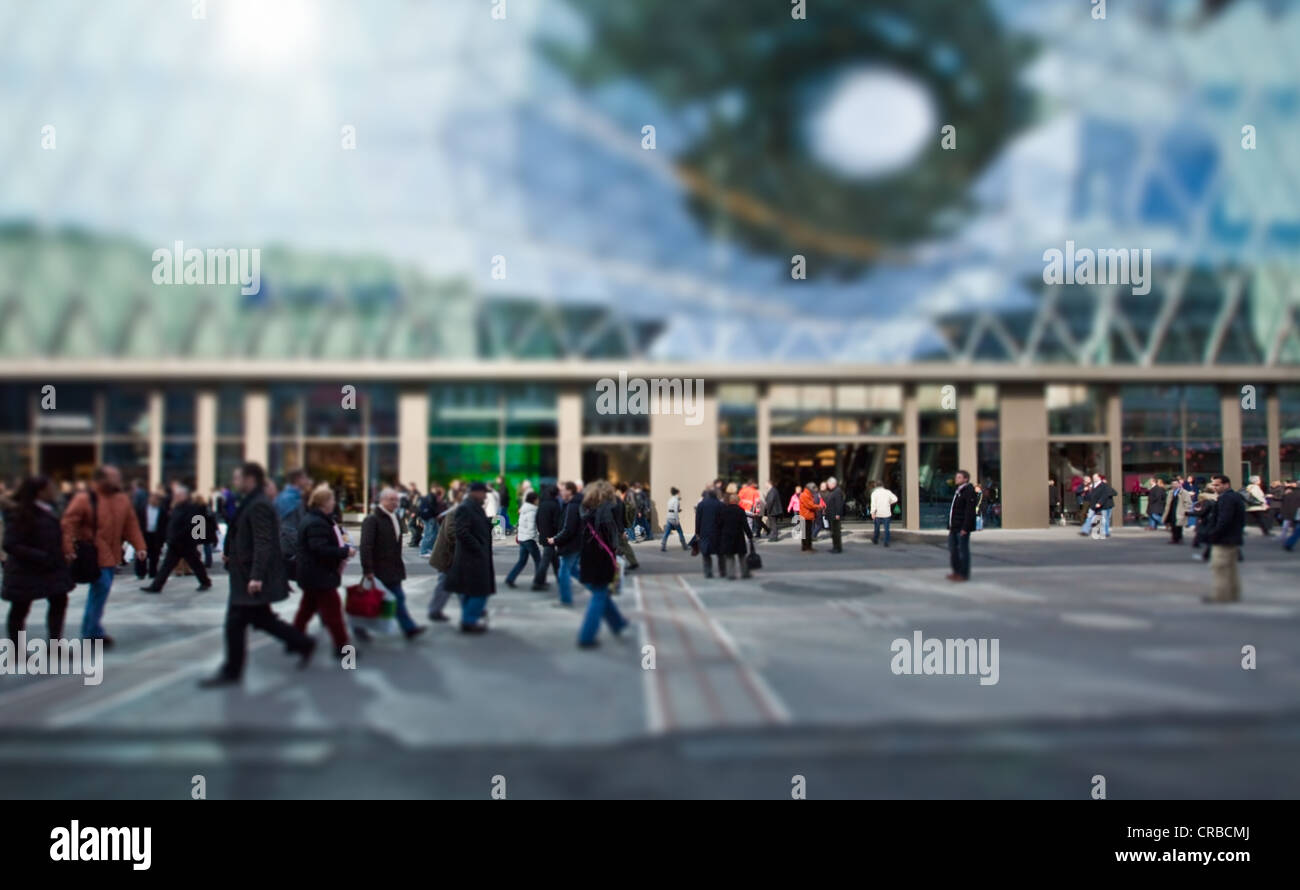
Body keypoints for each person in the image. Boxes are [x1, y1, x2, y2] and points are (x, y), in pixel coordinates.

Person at [200, 463, 315, 687]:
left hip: (249, 576)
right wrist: (231, 554)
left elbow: (264, 543)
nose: (234, 482)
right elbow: (245, 536)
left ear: (250, 478)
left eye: (237, 477)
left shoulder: (259, 504)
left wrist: (257, 576)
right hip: (244, 572)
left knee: (236, 623)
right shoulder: (253, 501)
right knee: (262, 619)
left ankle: (232, 671)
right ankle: (302, 643)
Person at [61, 465, 147, 648]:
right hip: (94, 552)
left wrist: (139, 545)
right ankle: (92, 632)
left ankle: (92, 630)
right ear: (101, 479)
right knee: (101, 589)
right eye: (114, 477)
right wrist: (68, 548)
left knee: (100, 592)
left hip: (111, 552)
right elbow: (68, 525)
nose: (118, 480)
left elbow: (130, 524)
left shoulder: (122, 499)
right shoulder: (84, 499)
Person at [2, 476, 74, 643]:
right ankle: (16, 649)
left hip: (51, 568)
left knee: (59, 601)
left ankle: (55, 645)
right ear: (40, 492)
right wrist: (40, 556)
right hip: (25, 570)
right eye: (51, 488)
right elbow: (10, 544)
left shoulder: (50, 509)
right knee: (20, 608)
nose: (54, 491)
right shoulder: (20, 513)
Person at [294, 484, 356, 657]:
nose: (334, 502)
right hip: (319, 575)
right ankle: (344, 651)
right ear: (325, 502)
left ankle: (293, 639)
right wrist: (345, 551)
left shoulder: (317, 519)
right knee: (334, 614)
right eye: (332, 499)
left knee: (306, 609)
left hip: (313, 575)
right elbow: (320, 549)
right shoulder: (316, 522)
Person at [361, 487, 426, 640]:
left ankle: (408, 628)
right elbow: (366, 546)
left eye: (396, 500)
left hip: (392, 567)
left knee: (388, 599)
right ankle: (408, 628)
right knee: (385, 598)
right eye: (391, 500)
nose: (395, 503)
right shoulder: (372, 520)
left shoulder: (395, 517)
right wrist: (368, 569)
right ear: (382, 500)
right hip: (379, 568)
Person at [574, 480, 630, 648]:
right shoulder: (608, 509)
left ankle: (617, 622)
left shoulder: (584, 509)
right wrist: (618, 550)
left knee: (601, 592)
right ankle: (586, 636)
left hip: (587, 554)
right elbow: (613, 535)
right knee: (599, 594)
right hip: (603, 555)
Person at [141, 485, 213, 593]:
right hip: (175, 543)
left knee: (195, 563)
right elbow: (172, 523)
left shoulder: (190, 508)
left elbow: (191, 525)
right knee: (167, 566)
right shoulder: (177, 507)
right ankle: (156, 586)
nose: (175, 497)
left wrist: (185, 537)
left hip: (186, 543)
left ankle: (205, 582)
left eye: (178, 495)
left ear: (184, 496)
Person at [446, 481, 495, 632]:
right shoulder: (466, 507)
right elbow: (461, 532)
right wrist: (478, 547)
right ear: (475, 492)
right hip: (472, 558)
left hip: (475, 557)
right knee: (479, 592)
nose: (485, 496)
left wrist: (488, 524)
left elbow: (474, 526)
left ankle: (468, 619)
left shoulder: (474, 507)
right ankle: (469, 621)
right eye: (483, 493)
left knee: (470, 591)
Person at [1203, 475, 1246, 603]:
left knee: (1220, 568)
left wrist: (1213, 534)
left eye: (1217, 485)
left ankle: (1221, 596)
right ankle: (1233, 593)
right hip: (1232, 537)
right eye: (1213, 485)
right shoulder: (1235, 497)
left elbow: (1224, 520)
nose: (1214, 487)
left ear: (1226, 484)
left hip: (1223, 539)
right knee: (1231, 569)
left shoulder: (1226, 499)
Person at [549, 481, 583, 606]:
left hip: (571, 544)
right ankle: (593, 586)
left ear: (570, 491)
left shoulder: (572, 506)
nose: (561, 492)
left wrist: (555, 539)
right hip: (576, 543)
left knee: (563, 572)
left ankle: (566, 600)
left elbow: (568, 529)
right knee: (573, 569)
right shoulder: (574, 504)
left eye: (563, 490)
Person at [504, 490, 541, 588]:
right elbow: (531, 528)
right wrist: (537, 538)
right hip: (529, 539)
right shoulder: (532, 512)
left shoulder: (524, 509)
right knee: (538, 560)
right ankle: (538, 582)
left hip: (522, 539)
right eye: (537, 499)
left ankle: (510, 578)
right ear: (534, 500)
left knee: (522, 561)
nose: (538, 501)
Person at [946, 469, 977, 582]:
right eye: (956, 477)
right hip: (954, 527)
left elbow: (970, 512)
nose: (956, 479)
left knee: (963, 551)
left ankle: (963, 574)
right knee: (953, 550)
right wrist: (950, 526)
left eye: (959, 477)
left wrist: (965, 528)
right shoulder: (958, 491)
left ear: (965, 479)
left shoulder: (968, 491)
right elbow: (953, 510)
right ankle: (956, 572)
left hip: (961, 528)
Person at [715, 493, 754, 579]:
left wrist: (719, 535)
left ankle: (731, 575)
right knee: (742, 556)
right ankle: (745, 573)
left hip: (727, 537)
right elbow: (745, 524)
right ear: (737, 501)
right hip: (738, 536)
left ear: (730, 501)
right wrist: (750, 535)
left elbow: (719, 524)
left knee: (729, 556)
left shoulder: (723, 510)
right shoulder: (740, 510)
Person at [532, 484, 562, 590]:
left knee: (554, 560)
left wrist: (541, 532)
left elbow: (537, 520)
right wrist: (558, 536)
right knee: (545, 561)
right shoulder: (555, 505)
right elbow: (557, 522)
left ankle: (560, 579)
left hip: (544, 535)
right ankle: (538, 582)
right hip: (551, 537)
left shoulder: (542, 504)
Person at [136, 486, 170, 578]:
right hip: (144, 534)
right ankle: (141, 572)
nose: (155, 501)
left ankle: (152, 572)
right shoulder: (142, 509)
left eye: (157, 499)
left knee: (155, 555)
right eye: (153, 498)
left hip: (156, 535)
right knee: (142, 553)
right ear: (149, 499)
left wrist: (164, 537)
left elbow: (165, 524)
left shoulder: (162, 510)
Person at [695, 488, 724, 577]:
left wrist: (697, 532)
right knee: (720, 554)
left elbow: (698, 520)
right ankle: (722, 571)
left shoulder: (701, 505)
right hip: (718, 532)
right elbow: (723, 519)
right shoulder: (721, 505)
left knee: (706, 553)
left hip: (705, 532)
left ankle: (708, 572)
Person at [1162, 477, 1193, 544]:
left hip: (1180, 511)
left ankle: (1179, 539)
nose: (1174, 485)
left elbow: (1188, 502)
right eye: (1173, 484)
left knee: (1179, 526)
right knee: (1173, 526)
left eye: (1176, 484)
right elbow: (1168, 502)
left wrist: (1186, 510)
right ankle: (1174, 539)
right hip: (1171, 511)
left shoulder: (1184, 492)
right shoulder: (1170, 492)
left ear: (1179, 484)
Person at [869, 480, 898, 546]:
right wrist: (889, 502)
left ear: (876, 486)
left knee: (877, 528)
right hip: (886, 513)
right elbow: (895, 499)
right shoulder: (888, 492)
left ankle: (875, 540)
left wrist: (872, 513)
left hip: (878, 513)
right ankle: (886, 542)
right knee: (886, 529)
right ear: (883, 485)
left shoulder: (874, 493)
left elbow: (873, 504)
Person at [417, 484, 443, 557]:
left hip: (428, 516)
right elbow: (432, 507)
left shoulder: (428, 496)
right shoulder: (432, 496)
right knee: (429, 534)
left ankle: (429, 549)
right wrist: (436, 514)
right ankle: (424, 551)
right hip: (430, 517)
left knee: (433, 533)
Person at [660, 486, 686, 551]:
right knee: (680, 532)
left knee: (667, 532)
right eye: (679, 493)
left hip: (668, 517)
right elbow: (675, 510)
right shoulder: (676, 500)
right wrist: (677, 519)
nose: (680, 494)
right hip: (674, 518)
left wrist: (677, 510)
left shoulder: (670, 499)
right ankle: (684, 546)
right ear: (677, 493)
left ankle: (663, 546)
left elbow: (670, 509)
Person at [823, 476, 845, 553]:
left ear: (833, 483)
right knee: (833, 533)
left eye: (828, 484)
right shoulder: (833, 491)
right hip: (832, 515)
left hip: (835, 516)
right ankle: (835, 547)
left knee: (836, 533)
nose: (828, 485)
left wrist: (838, 514)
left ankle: (837, 548)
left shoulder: (837, 491)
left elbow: (839, 504)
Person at [798, 481, 819, 552]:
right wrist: (819, 506)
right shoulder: (805, 495)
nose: (815, 489)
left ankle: (805, 547)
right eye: (814, 488)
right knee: (807, 533)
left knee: (805, 533)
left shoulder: (807, 494)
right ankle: (807, 547)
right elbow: (810, 505)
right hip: (806, 516)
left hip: (806, 515)